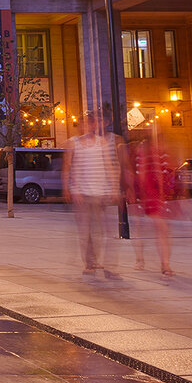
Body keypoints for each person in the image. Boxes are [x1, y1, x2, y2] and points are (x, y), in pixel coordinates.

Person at [62, 112, 130, 277]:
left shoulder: (103, 143)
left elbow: (110, 166)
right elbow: (68, 167)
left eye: (90, 123)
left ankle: (99, 261)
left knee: (99, 230)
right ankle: (90, 263)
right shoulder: (73, 143)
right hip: (82, 193)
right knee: (86, 230)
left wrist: (114, 189)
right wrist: (69, 188)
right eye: (84, 124)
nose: (87, 127)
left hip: (100, 192)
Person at [132, 132, 176, 276]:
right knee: (161, 229)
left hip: (151, 195)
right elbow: (147, 173)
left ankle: (146, 261)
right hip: (152, 194)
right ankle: (163, 264)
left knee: (150, 228)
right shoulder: (148, 152)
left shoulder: (152, 152)